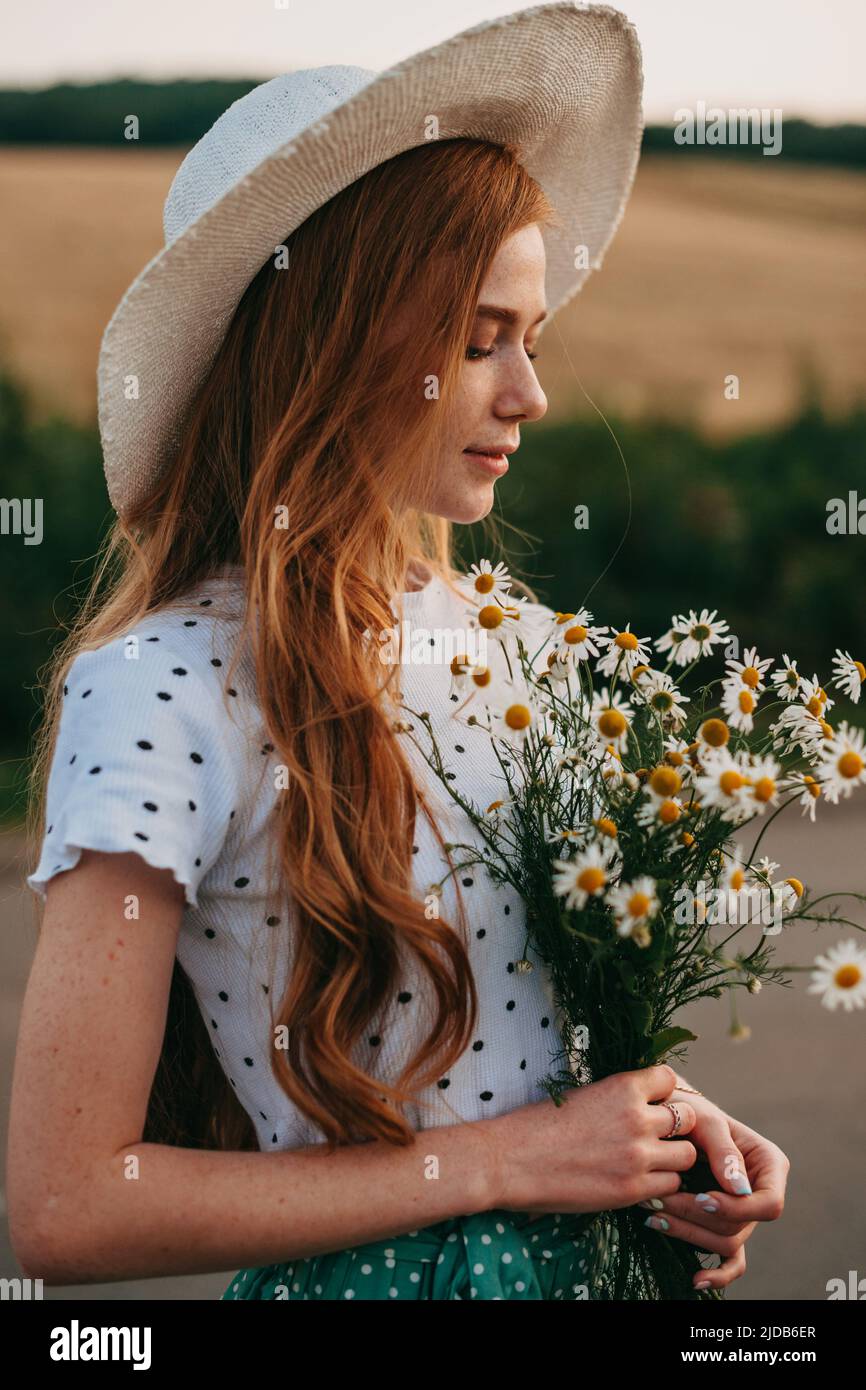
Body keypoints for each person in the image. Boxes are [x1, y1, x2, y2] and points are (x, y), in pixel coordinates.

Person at [9, 4, 788, 1300]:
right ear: (340, 334)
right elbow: (67, 1204)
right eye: (478, 338)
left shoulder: (523, 654)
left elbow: (528, 1049)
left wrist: (662, 1135)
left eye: (531, 340)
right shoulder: (160, 687)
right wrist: (513, 1161)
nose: (529, 394)